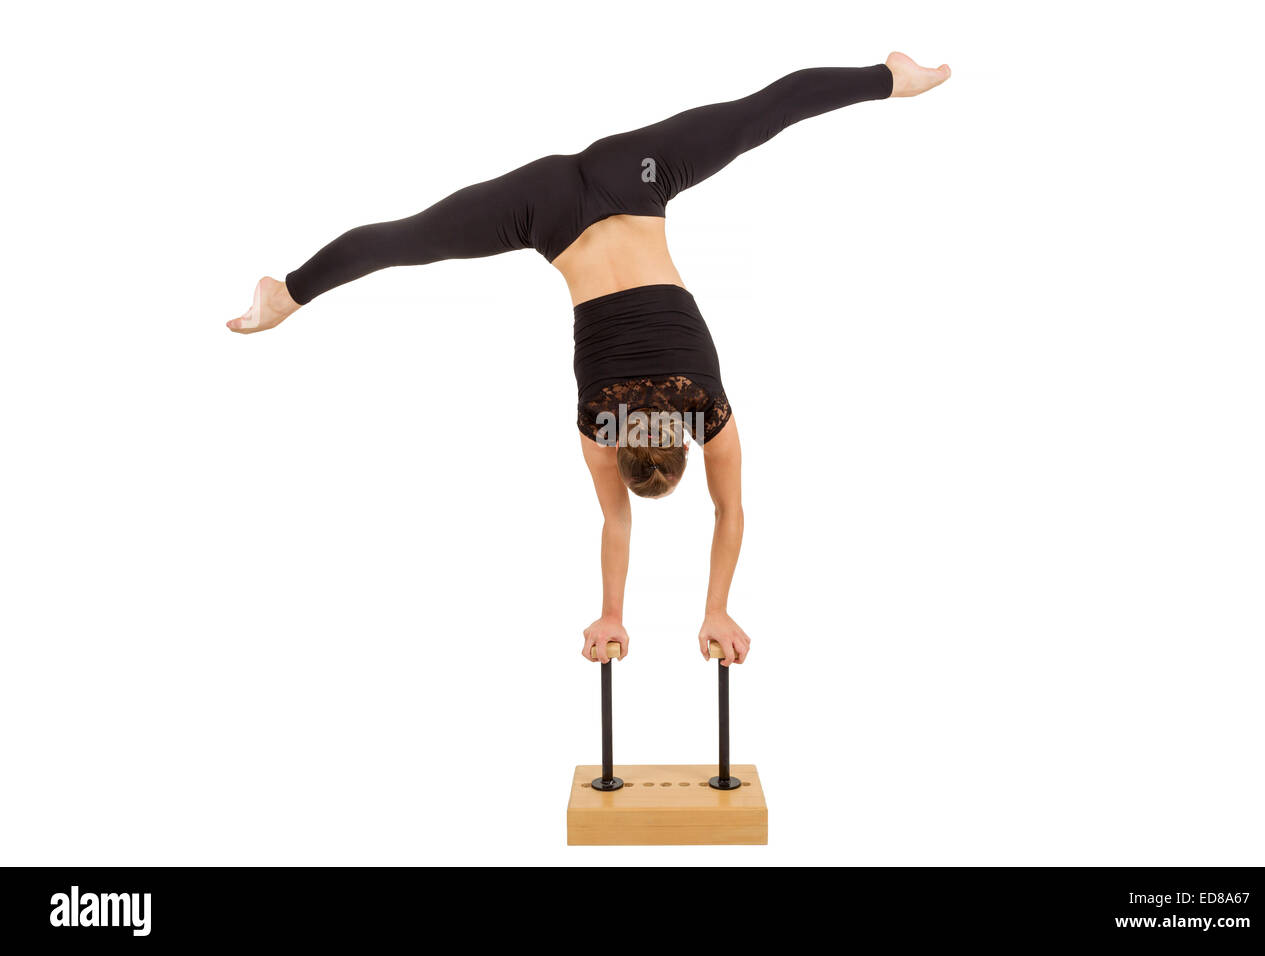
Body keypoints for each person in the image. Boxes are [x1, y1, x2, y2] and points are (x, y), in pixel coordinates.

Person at [228, 52, 951, 667]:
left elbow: (730, 511)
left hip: (633, 179)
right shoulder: (596, 423)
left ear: (679, 443)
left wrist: (712, 611)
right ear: (625, 445)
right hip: (545, 211)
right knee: (405, 241)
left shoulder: (706, 407)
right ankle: (286, 294)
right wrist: (626, 614)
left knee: (763, 112)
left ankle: (891, 77)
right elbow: (617, 523)